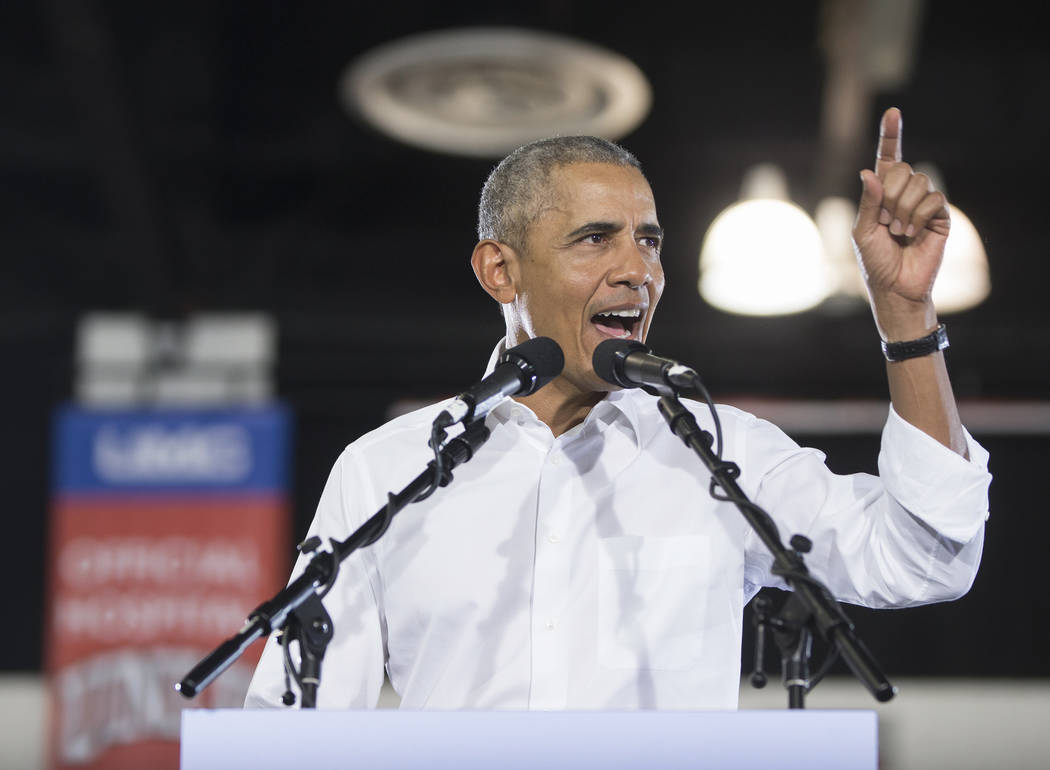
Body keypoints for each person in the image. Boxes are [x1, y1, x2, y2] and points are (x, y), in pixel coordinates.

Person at [245, 107, 990, 710]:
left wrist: (905, 312)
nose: (637, 271)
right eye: (595, 239)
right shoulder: (389, 468)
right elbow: (292, 720)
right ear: (500, 270)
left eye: (649, 241)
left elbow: (921, 558)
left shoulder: (719, 452)